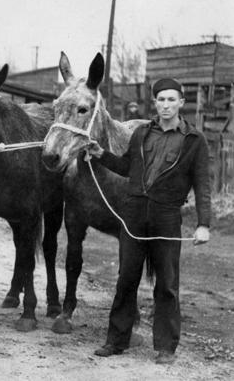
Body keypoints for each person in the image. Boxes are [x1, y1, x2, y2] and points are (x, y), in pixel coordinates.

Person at [87, 77, 211, 364]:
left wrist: (203, 224)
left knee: (167, 283)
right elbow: (127, 167)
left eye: (171, 99)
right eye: (161, 100)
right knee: (126, 279)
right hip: (134, 215)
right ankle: (117, 340)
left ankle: (165, 347)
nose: (165, 105)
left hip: (167, 216)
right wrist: (100, 155)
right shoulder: (142, 133)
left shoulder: (195, 140)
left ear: (181, 103)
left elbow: (203, 185)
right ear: (154, 103)